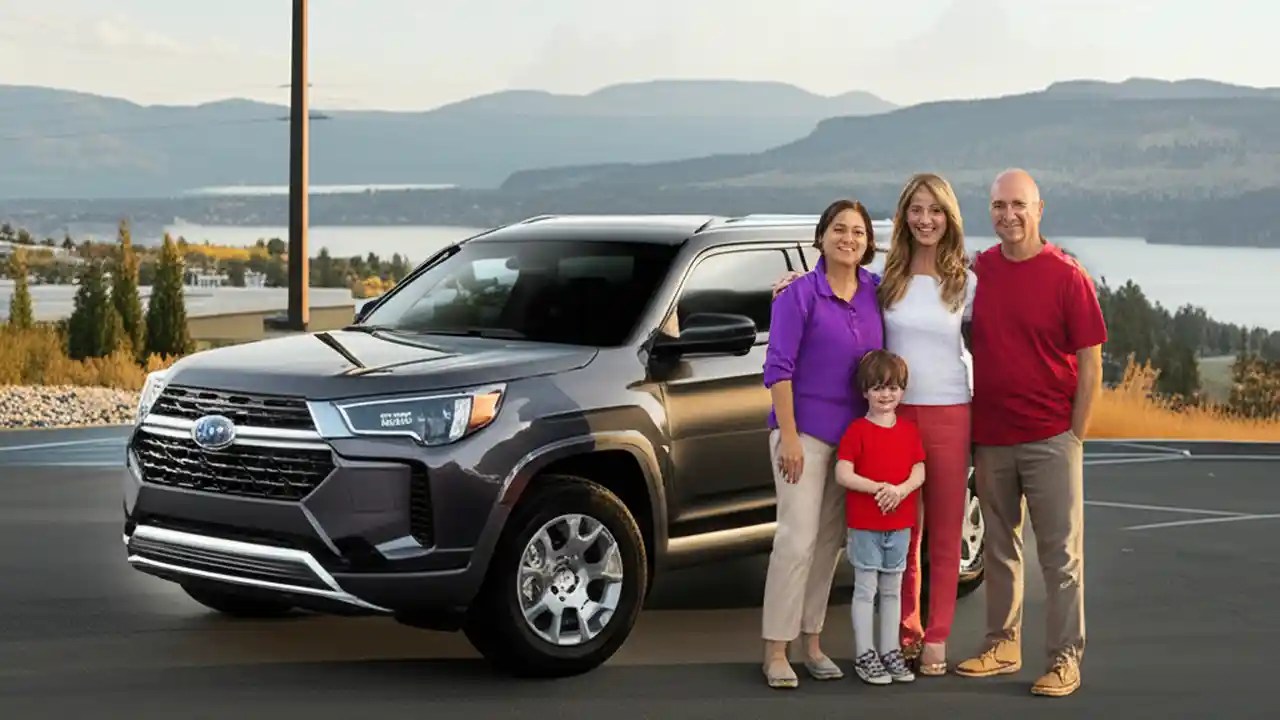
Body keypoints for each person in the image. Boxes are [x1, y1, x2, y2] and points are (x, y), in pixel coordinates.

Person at [772, 172, 976, 676]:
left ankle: (929, 638)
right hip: (880, 419)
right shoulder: (884, 281)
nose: (926, 219)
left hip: (939, 413)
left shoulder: (949, 282)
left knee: (927, 536)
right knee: (886, 531)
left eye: (936, 210)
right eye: (916, 209)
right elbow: (789, 349)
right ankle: (895, 636)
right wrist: (789, 287)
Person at [952, 168, 1106, 699]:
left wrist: (1074, 436)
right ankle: (1002, 644)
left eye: (1019, 205)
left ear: (1040, 209)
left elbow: (1091, 363)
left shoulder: (1067, 276)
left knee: (1060, 557)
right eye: (998, 206)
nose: (1008, 215)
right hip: (992, 435)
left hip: (1050, 438)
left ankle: (1065, 659)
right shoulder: (979, 272)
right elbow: (913, 286)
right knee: (999, 547)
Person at [760, 198, 885, 689]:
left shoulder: (875, 291)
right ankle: (776, 650)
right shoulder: (798, 296)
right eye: (839, 229)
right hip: (803, 436)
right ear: (822, 236)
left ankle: (812, 642)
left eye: (858, 232)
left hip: (852, 441)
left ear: (867, 243)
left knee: (829, 543)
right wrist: (788, 437)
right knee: (796, 541)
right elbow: (778, 369)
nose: (848, 239)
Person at [834, 349, 926, 686]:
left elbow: (919, 471)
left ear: (902, 390)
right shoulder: (857, 430)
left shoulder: (909, 430)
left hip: (898, 524)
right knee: (865, 589)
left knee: (891, 590)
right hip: (864, 525)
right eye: (877, 388)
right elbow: (842, 472)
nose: (885, 395)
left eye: (892, 387)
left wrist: (900, 491)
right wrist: (877, 488)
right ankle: (864, 654)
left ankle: (889, 651)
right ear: (864, 392)